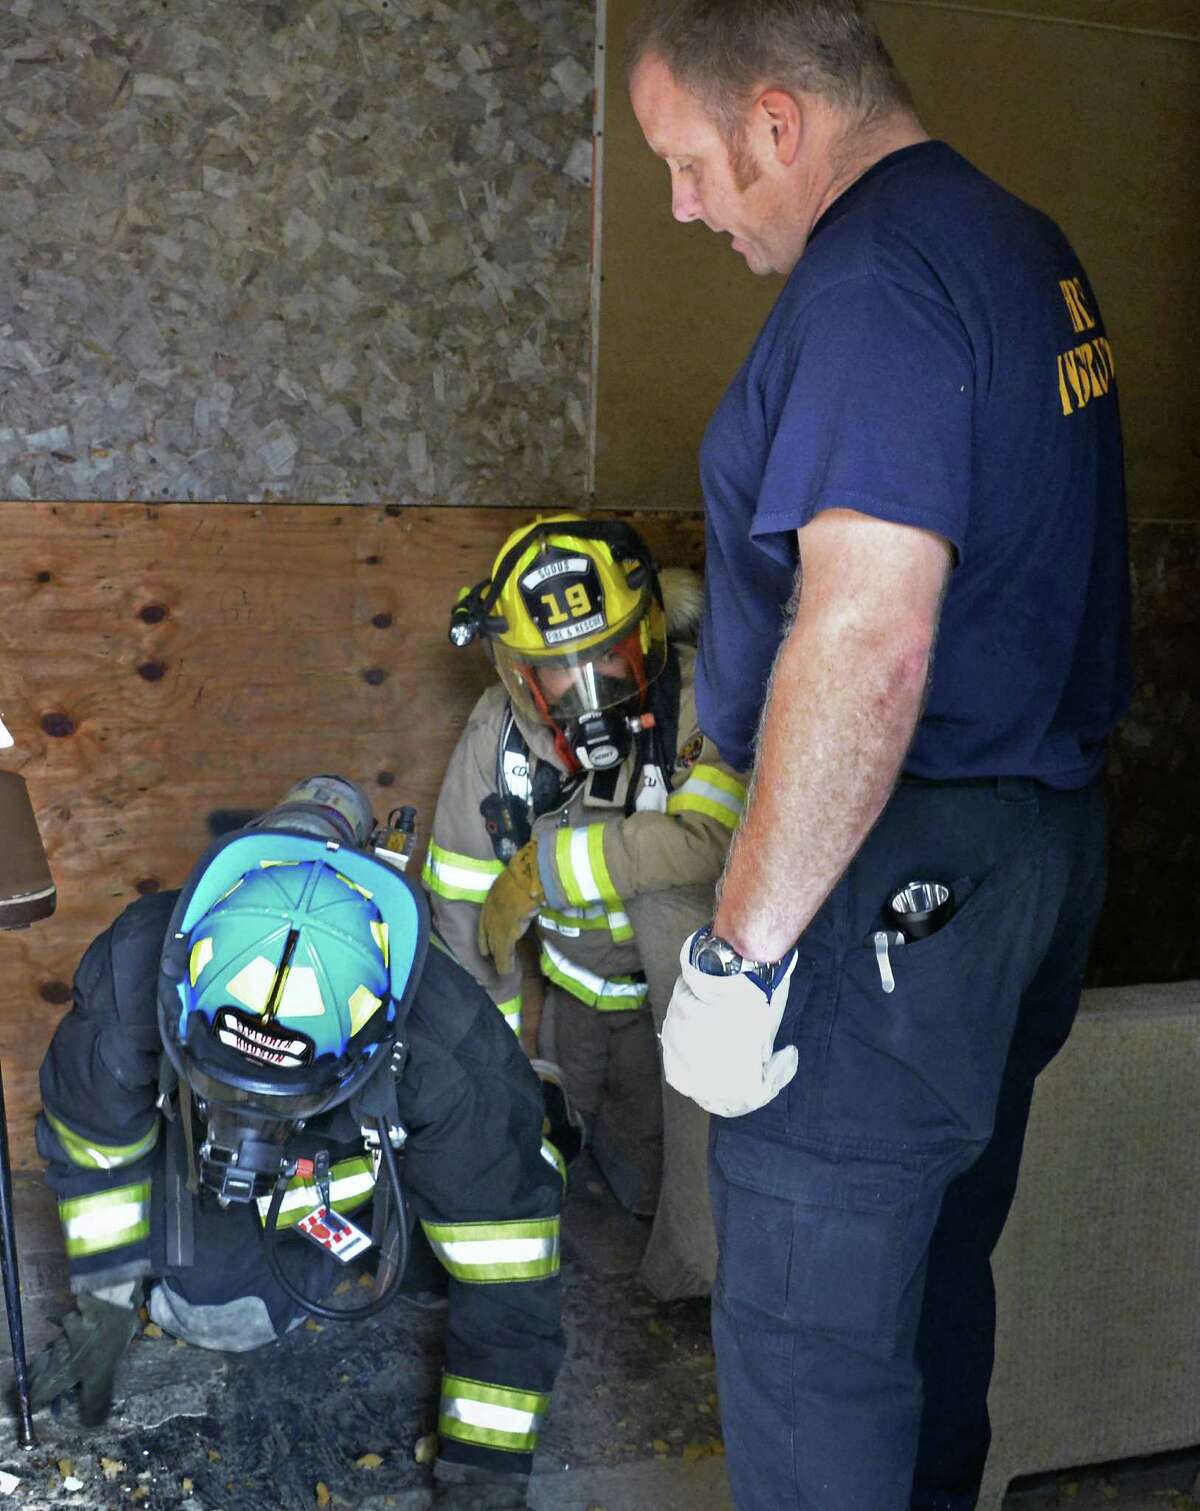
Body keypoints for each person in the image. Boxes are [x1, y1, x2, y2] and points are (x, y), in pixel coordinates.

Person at [627, 4, 1131, 1508]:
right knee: (928, 1280)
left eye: (690, 161)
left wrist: (742, 949)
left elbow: (869, 639)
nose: (684, 204)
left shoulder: (875, 283)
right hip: (1030, 851)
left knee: (812, 1343)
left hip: (892, 887)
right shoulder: (1020, 244)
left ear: (778, 123)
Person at [30, 776, 568, 1510]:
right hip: (285, 1192)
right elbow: (93, 1153)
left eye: (274, 1094)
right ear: (182, 996)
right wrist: (105, 1304)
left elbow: (511, 1273)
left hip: (379, 1176)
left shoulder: (448, 1048)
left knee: (448, 1264)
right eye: (228, 1083)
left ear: (373, 1048)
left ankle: (510, 1137)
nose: (246, 1116)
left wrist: (484, 1480)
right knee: (207, 1309)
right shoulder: (136, 972)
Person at [423, 514, 745, 1262]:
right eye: (562, 669)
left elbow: (707, 849)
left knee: (656, 1206)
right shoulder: (495, 744)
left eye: (609, 653)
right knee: (541, 1181)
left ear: (650, 626)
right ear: (516, 672)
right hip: (565, 1026)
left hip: (670, 1034)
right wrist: (504, 1085)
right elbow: (468, 927)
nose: (591, 685)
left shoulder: (701, 704)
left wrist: (545, 867)